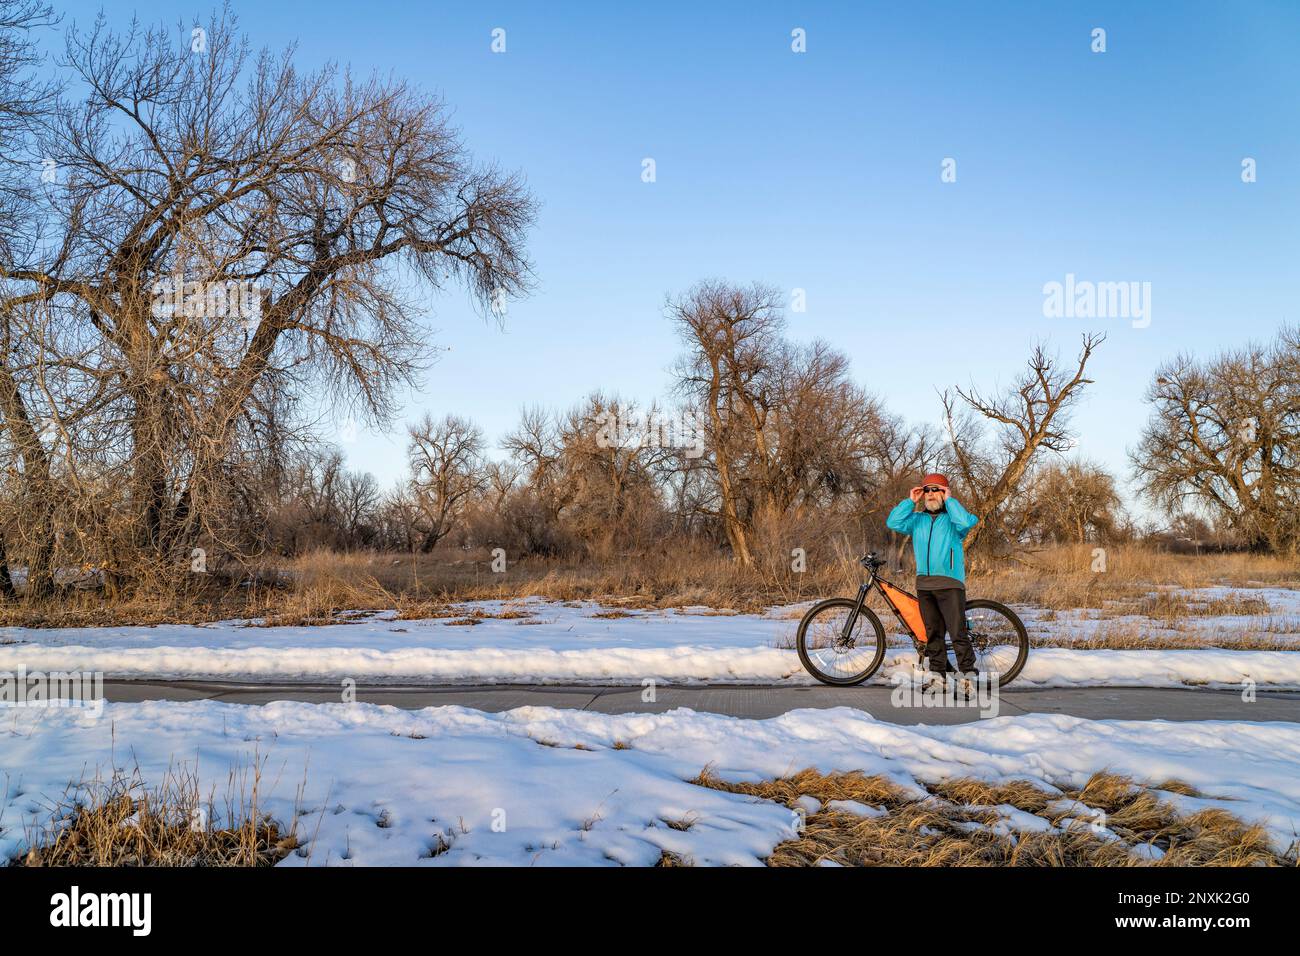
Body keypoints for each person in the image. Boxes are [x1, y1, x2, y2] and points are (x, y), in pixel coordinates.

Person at [885, 473, 980, 694]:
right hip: (925, 584)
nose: (930, 494)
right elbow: (893, 522)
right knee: (933, 634)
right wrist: (911, 501)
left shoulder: (955, 521)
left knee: (958, 633)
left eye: (935, 489)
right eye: (926, 490)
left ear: (945, 492)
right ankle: (938, 678)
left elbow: (967, 522)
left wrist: (950, 501)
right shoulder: (917, 519)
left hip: (950, 583)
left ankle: (967, 679)